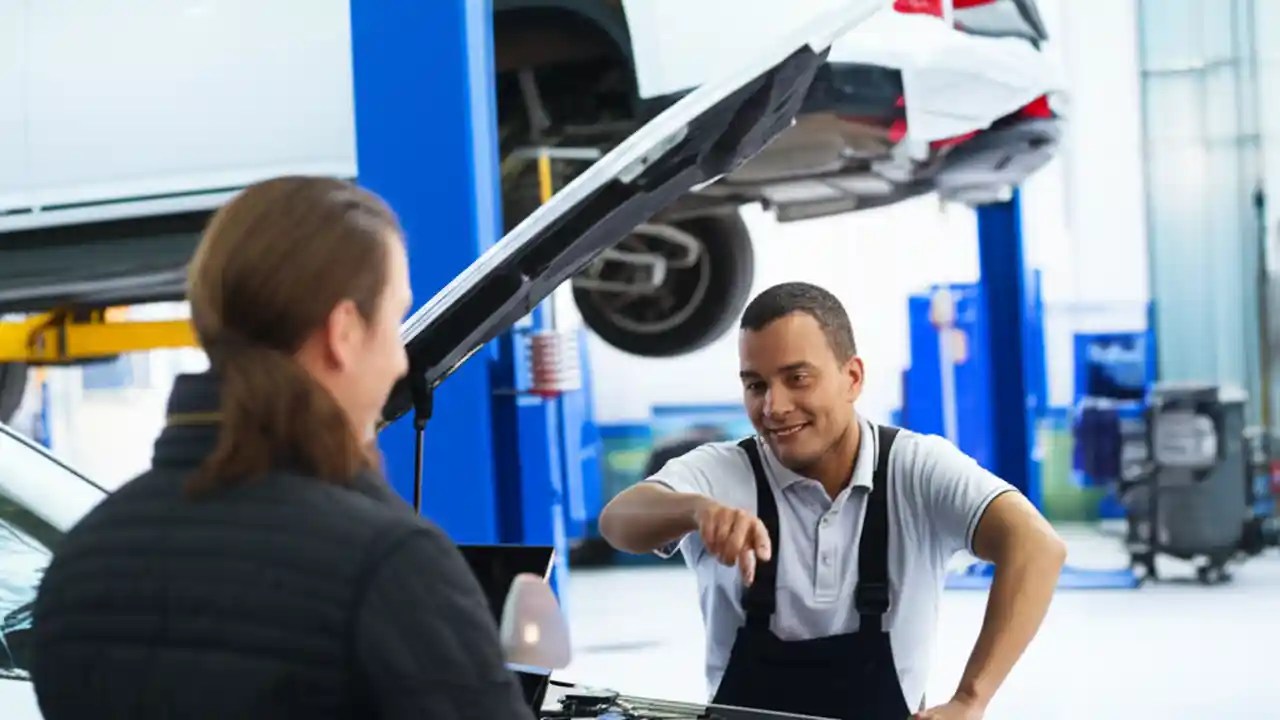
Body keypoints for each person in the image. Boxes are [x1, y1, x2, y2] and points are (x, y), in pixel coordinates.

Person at [29, 176, 534, 720]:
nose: (400, 363)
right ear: (342, 332)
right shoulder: (387, 564)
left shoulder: (82, 560)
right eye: (392, 323)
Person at [598, 281, 1066, 720]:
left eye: (797, 378)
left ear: (852, 377)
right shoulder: (722, 473)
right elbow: (618, 522)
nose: (774, 406)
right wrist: (695, 511)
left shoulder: (915, 468)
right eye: (756, 384)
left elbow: (1036, 546)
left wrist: (969, 699)